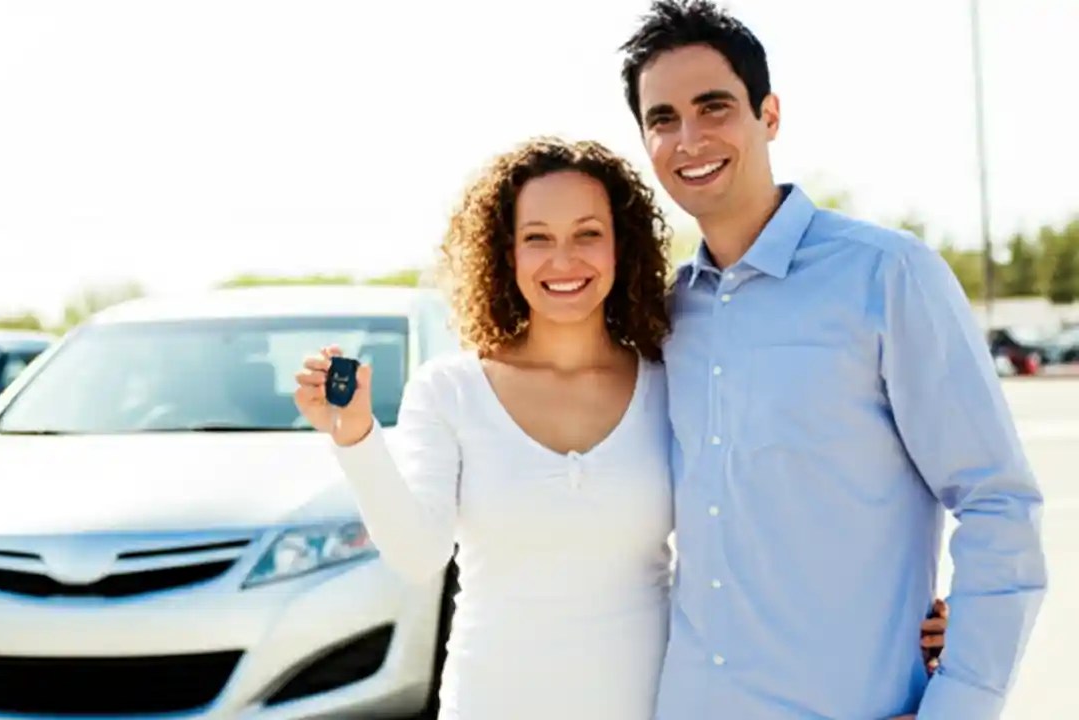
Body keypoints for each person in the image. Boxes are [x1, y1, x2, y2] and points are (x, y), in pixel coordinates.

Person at [292, 137, 946, 719]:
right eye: (538, 237)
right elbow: (417, 555)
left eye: (587, 234)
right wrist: (355, 437)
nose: (564, 259)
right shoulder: (451, 389)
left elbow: (769, 520)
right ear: (505, 252)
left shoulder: (673, 378)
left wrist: (905, 617)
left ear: (621, 244)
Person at [616, 1, 1046, 718]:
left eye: (713, 106)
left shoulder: (887, 276)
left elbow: (998, 501)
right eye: (662, 118)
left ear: (770, 115)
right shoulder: (664, 315)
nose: (688, 138)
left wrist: (963, 696)